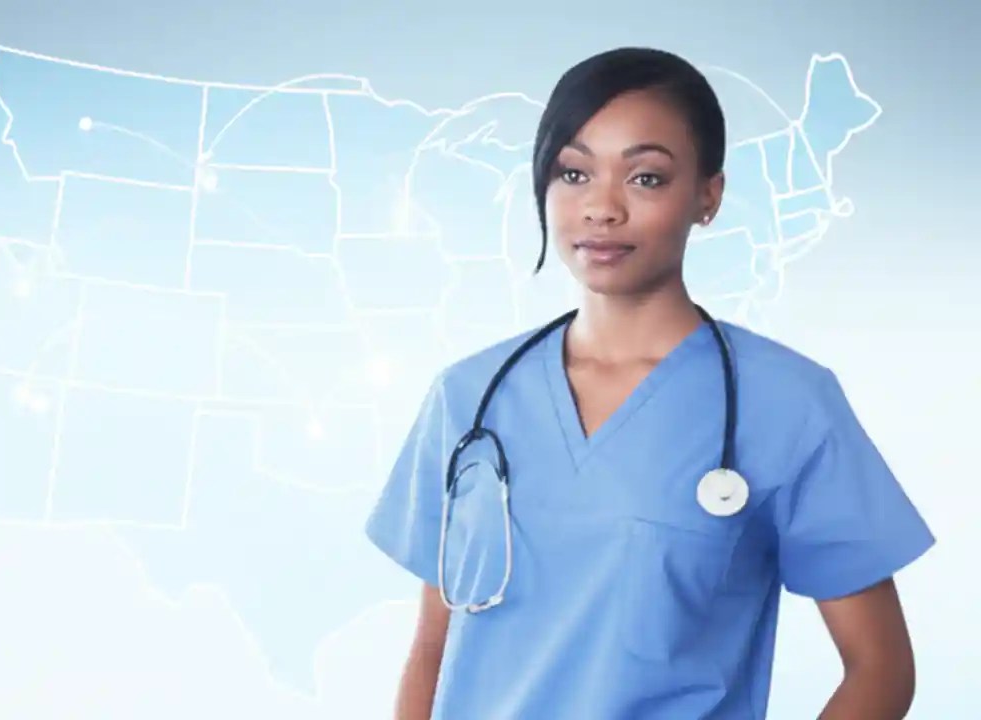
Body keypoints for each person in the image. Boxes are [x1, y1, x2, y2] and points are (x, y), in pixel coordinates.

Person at [363, 47, 935, 719]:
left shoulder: (787, 405)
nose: (601, 208)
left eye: (646, 178)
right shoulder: (468, 396)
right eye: (573, 172)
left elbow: (881, 667)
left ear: (708, 197)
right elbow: (433, 648)